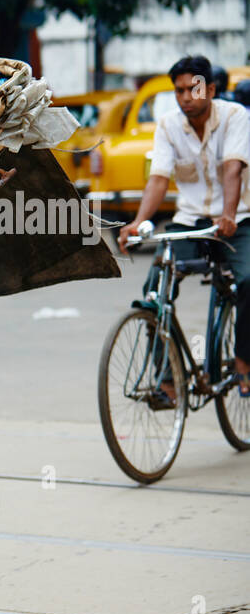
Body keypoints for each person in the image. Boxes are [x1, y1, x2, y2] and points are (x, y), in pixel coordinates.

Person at [119, 55, 250, 397]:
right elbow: (159, 180)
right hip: (190, 221)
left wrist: (229, 215)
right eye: (178, 91)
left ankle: (244, 360)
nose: (185, 98)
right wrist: (138, 223)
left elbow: (233, 169)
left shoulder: (236, 117)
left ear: (211, 88)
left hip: (237, 220)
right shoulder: (167, 126)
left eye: (192, 89)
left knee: (249, 279)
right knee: (155, 290)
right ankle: (167, 378)